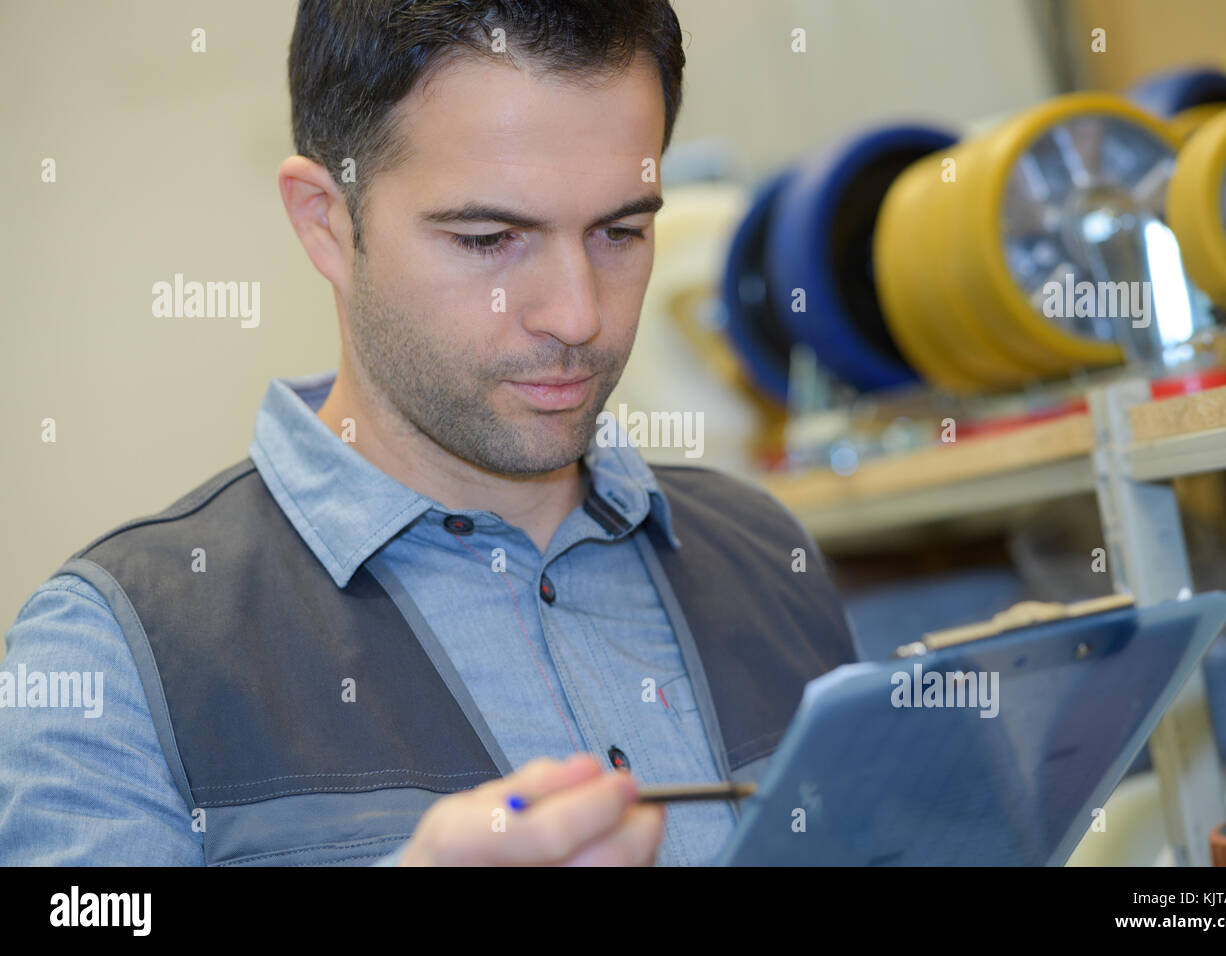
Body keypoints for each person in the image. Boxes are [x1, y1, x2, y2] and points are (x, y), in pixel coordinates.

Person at [0, 0, 855, 867]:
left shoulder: (768, 561)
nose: (577, 314)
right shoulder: (110, 660)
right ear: (326, 222)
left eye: (621, 231)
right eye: (489, 239)